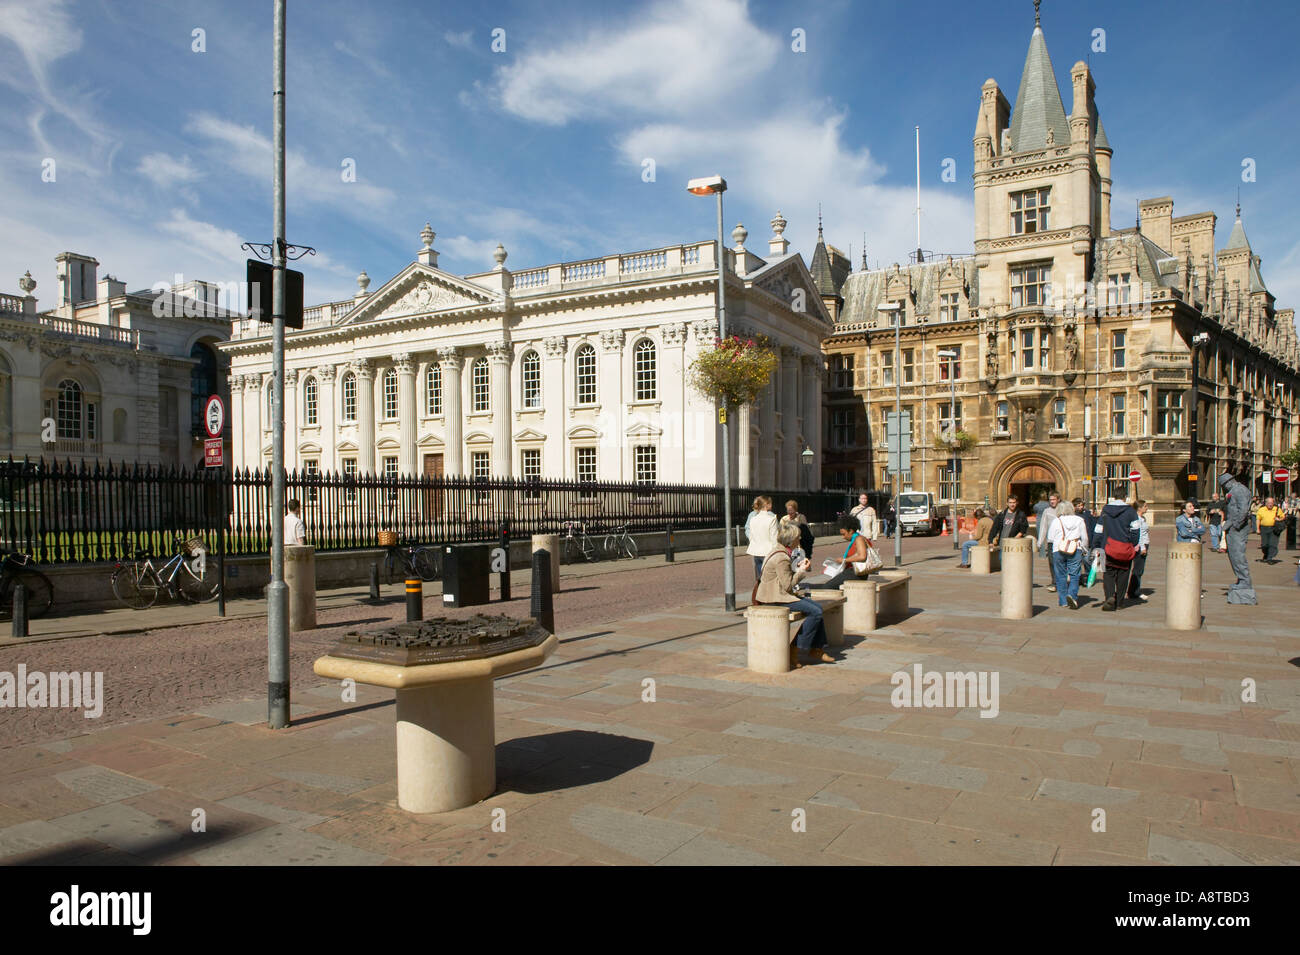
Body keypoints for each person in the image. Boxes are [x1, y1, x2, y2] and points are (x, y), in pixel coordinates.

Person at [754, 522, 834, 667]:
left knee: (817, 608)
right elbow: (788, 585)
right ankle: (794, 648)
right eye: (798, 536)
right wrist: (801, 571)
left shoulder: (777, 551)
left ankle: (816, 648)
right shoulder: (782, 557)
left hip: (775, 593)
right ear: (791, 540)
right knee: (816, 612)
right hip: (775, 597)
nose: (800, 538)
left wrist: (796, 567)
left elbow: (782, 576)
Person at [1096, 493, 1140, 611]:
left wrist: (1096, 545)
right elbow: (1136, 530)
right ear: (1125, 497)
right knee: (1123, 574)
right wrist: (1134, 544)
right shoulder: (1131, 511)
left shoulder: (1105, 509)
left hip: (1107, 547)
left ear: (1113, 497)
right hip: (1125, 547)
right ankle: (1120, 602)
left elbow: (1098, 529)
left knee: (1108, 574)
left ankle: (1109, 597)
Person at [1219, 472, 1257, 605]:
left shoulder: (1240, 490)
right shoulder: (1234, 490)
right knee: (1233, 555)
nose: (1224, 488)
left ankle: (1245, 580)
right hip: (1232, 526)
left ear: (1229, 481)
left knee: (1238, 554)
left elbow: (1243, 510)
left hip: (1238, 528)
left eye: (1223, 485)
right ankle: (1241, 580)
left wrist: (1235, 525)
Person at [1047, 500, 1088, 609]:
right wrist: (1084, 549)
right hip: (1075, 548)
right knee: (1074, 574)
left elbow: (1050, 538)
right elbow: (1085, 538)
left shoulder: (1056, 521)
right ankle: (1072, 595)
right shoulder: (1080, 520)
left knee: (1060, 575)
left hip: (1058, 549)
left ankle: (1063, 600)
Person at [822, 516, 874, 589]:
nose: (843, 537)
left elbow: (862, 556)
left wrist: (844, 560)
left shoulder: (859, 539)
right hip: (853, 572)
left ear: (851, 531)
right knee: (827, 585)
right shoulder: (856, 539)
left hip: (855, 573)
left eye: (844, 534)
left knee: (827, 587)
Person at [745, 496, 779, 580]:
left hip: (756, 552)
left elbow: (751, 536)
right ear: (766, 504)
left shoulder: (753, 519)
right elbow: (774, 537)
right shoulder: (772, 518)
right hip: (768, 551)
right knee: (770, 579)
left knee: (760, 578)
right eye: (770, 503)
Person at [1126, 499, 1151, 602]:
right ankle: (1133, 592)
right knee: (1138, 569)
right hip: (1140, 546)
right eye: (1145, 506)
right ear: (1139, 508)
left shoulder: (1142, 518)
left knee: (1138, 570)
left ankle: (1133, 590)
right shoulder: (1137, 519)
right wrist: (1143, 547)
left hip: (1143, 545)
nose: (1147, 508)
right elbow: (1139, 534)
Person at [1036, 492, 1061, 592]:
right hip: (1051, 541)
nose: (1052, 502)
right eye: (1050, 500)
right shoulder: (1047, 511)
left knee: (1061, 562)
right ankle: (1054, 582)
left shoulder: (1062, 509)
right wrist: (1040, 541)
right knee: (1051, 562)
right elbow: (1043, 527)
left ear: (1058, 500)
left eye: (1054, 500)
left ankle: (1061, 581)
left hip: (1061, 541)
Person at [1256, 496, 1285, 563]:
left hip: (1274, 529)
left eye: (1272, 503)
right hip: (1264, 528)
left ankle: (1270, 558)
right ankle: (1266, 554)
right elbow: (1258, 519)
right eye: (1269, 503)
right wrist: (1257, 529)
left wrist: (1279, 519)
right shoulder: (1261, 509)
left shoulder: (1277, 509)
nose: (1270, 504)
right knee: (1264, 544)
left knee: (1272, 543)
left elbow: (1283, 517)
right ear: (1266, 503)